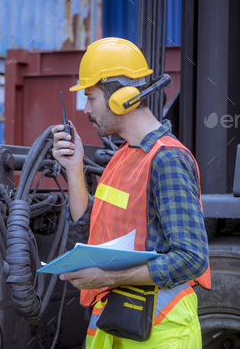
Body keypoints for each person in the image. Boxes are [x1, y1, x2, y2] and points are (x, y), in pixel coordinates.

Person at [51, 37, 210, 349]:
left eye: (91, 97)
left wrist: (108, 278)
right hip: (118, 324)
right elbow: (90, 222)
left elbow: (192, 259)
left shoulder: (167, 160)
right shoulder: (125, 155)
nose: (86, 109)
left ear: (120, 98)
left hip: (160, 330)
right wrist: (74, 167)